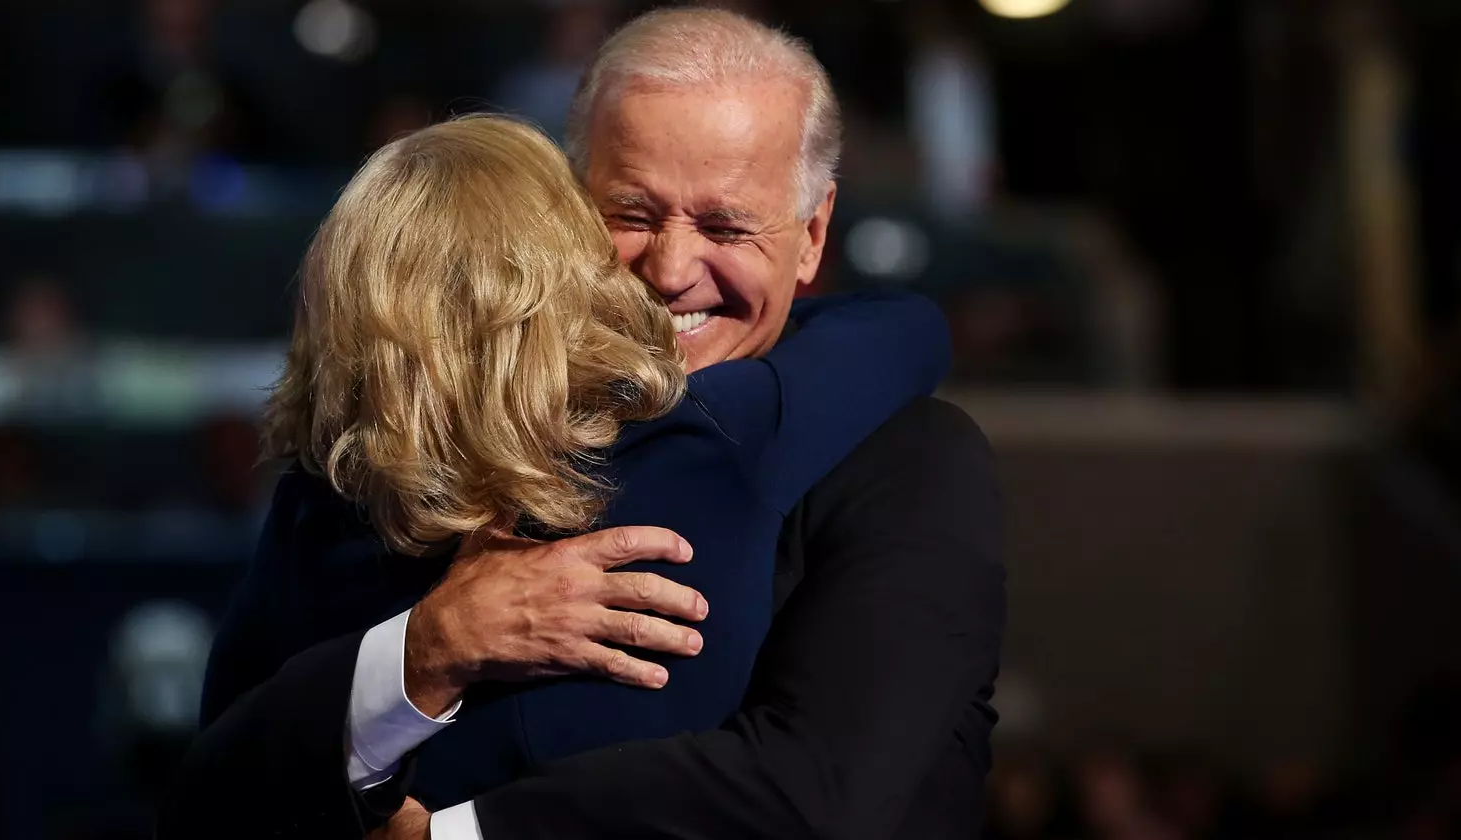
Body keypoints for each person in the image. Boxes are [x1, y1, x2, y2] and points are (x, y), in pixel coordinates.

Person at [161, 8, 1005, 840]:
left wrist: (454, 835)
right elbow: (208, 801)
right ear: (563, 210)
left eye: (725, 226)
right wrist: (425, 648)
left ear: (813, 233)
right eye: (631, 215)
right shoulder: (370, 472)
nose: (671, 270)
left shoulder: (904, 457)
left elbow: (821, 790)